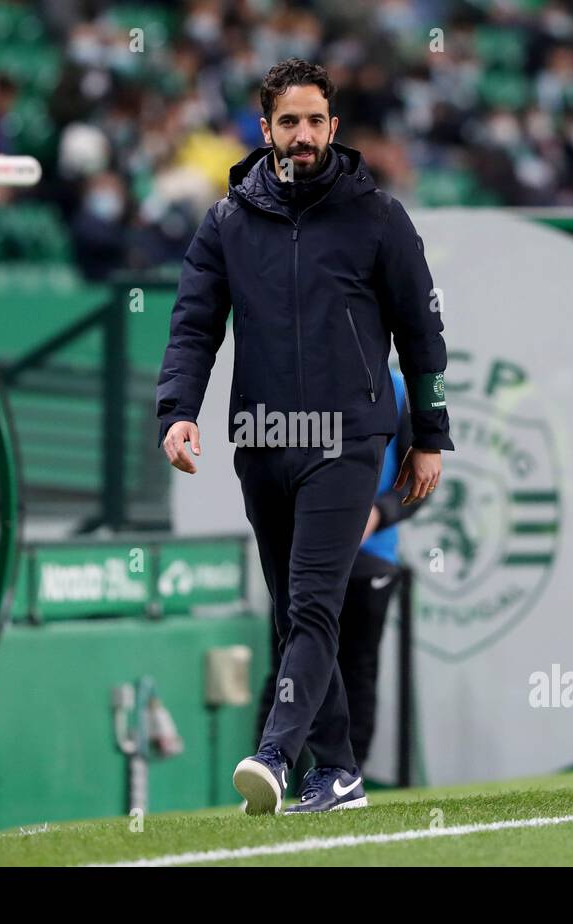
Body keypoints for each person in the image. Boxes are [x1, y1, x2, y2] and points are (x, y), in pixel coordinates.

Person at [156, 58, 453, 813]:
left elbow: (424, 335)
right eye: (288, 121)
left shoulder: (378, 217)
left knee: (316, 604)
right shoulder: (228, 219)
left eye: (315, 120)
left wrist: (429, 435)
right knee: (293, 612)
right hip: (260, 438)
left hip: (349, 439)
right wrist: (177, 410)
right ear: (266, 131)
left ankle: (275, 753)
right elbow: (193, 326)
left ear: (334, 127)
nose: (303, 134)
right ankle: (341, 770)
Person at [254, 367, 426, 777]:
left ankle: (347, 776)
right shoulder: (300, 373)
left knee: (357, 671)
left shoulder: (401, 389)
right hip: (303, 554)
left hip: (370, 558)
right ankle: (269, 776)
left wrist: (378, 513)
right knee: (287, 659)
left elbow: (420, 480)